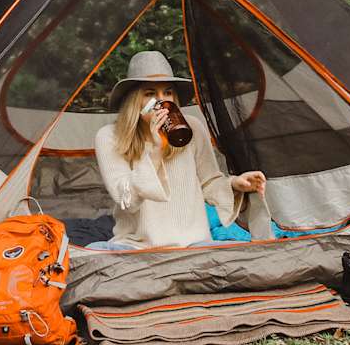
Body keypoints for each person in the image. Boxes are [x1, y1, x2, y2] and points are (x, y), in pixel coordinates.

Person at [91, 50, 266, 248]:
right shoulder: (110, 137)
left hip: (193, 244)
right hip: (137, 247)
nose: (161, 101)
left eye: (167, 92)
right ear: (135, 101)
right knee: (90, 255)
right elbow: (126, 200)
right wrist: (155, 150)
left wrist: (235, 184)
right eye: (150, 94)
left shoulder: (192, 127)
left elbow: (209, 181)